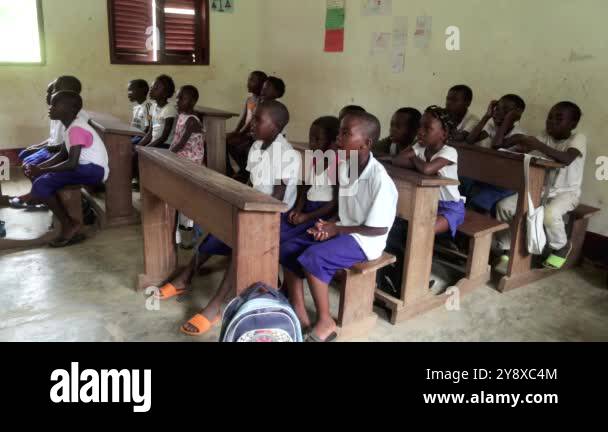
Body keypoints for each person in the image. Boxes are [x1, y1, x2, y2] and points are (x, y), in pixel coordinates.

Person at [280, 111, 398, 342]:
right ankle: (299, 309)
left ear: (367, 143)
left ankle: (326, 320)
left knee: (314, 257)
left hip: (366, 240)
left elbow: (378, 229)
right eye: (339, 133)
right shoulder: (345, 168)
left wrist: (336, 230)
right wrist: (326, 226)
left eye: (345, 133)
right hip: (345, 228)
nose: (338, 139)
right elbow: (344, 211)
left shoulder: (380, 180)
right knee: (288, 247)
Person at [494, 102, 586, 272]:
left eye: (559, 118)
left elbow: (566, 159)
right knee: (504, 207)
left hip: (566, 193)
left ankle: (561, 246)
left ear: (573, 124)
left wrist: (537, 145)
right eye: (550, 117)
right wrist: (522, 143)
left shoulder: (577, 138)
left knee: (549, 214)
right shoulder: (544, 136)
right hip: (540, 189)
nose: (551, 121)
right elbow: (516, 148)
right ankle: (507, 248)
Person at [27, 91, 108, 247]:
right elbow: (61, 154)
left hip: (92, 171)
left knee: (41, 184)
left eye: (54, 104)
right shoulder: (70, 126)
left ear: (70, 109)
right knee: (42, 181)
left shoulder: (76, 128)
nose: (50, 108)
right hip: (85, 169)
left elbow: (71, 163)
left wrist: (42, 171)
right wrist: (40, 167)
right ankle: (63, 217)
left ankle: (69, 224)